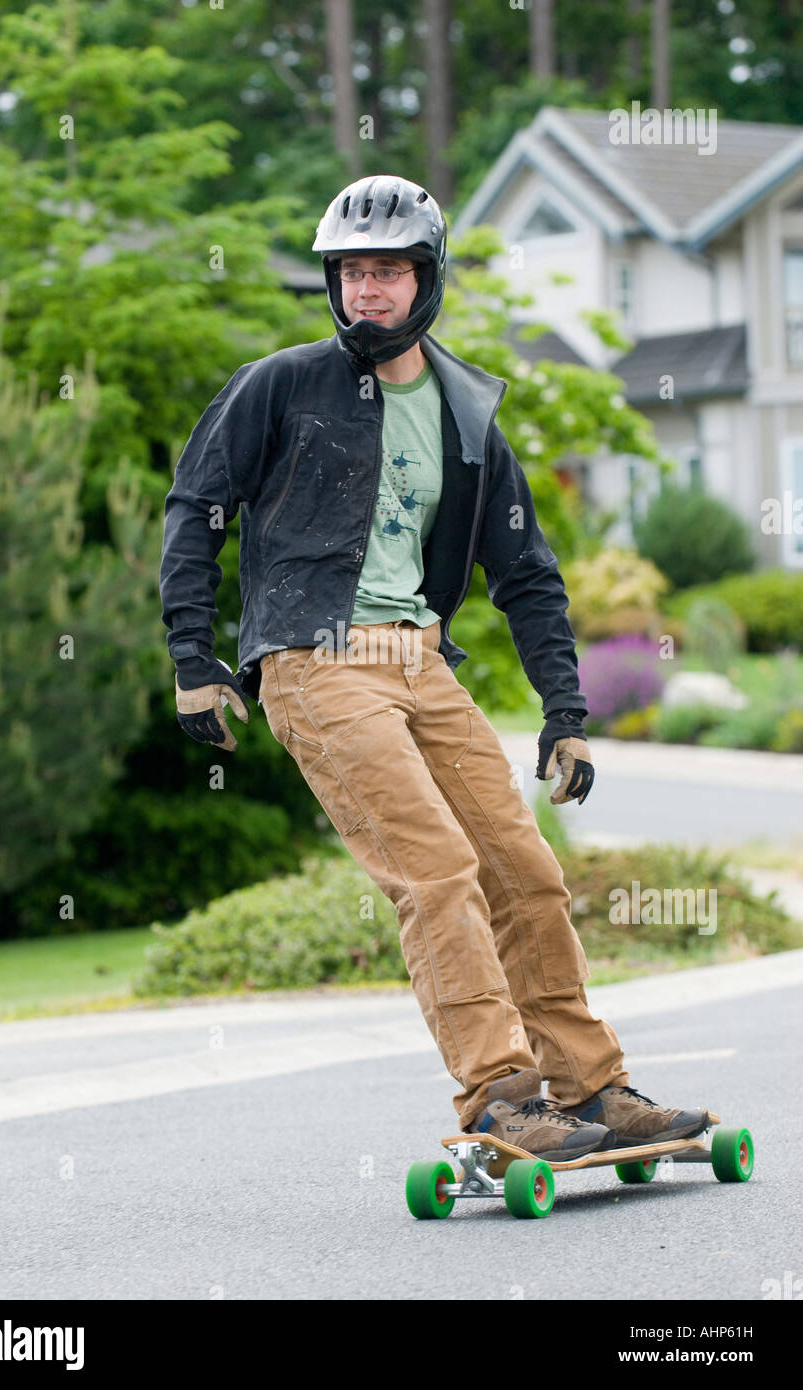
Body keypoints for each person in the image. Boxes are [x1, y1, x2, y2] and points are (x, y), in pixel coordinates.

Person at [159, 174, 708, 1161]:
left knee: (527, 874)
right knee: (439, 873)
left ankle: (591, 1088)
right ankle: (501, 1095)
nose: (367, 290)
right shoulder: (280, 386)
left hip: (421, 660)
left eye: (389, 271)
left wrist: (567, 714)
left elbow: (528, 575)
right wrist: (193, 654)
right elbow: (195, 505)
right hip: (316, 657)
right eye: (351, 272)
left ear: (428, 278)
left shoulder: (465, 411)